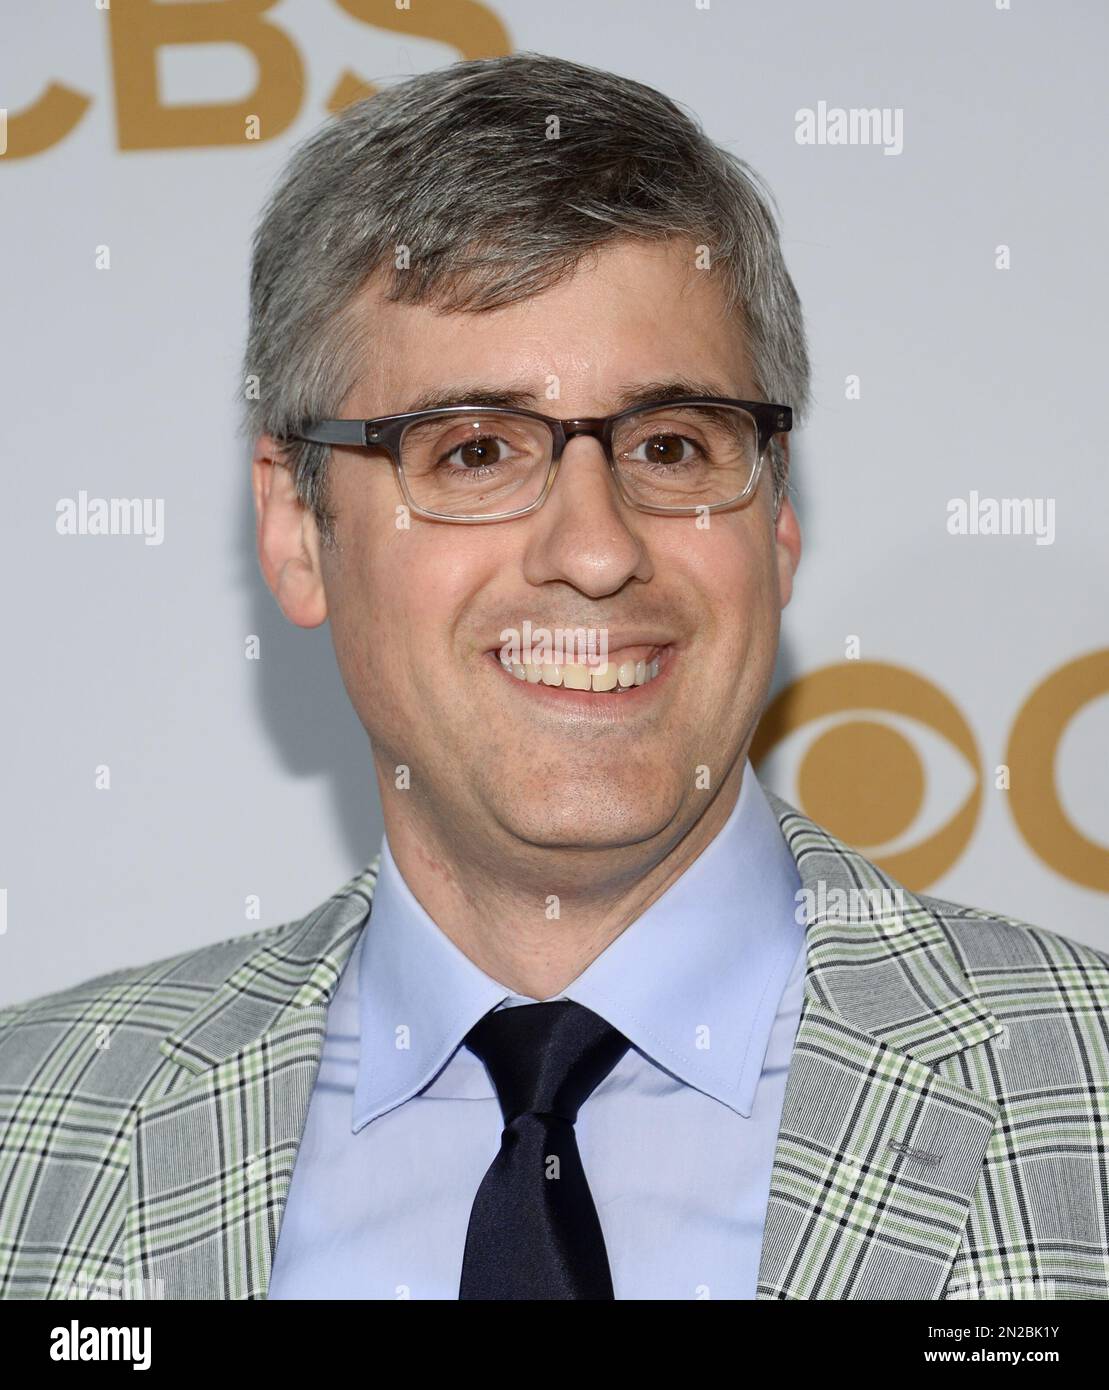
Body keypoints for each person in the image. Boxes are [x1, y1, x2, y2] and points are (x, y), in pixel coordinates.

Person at [2, 52, 1106, 1302]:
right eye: (473, 450)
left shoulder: (1081, 1089)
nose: (593, 548)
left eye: (672, 443)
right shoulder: (35, 1129)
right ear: (297, 531)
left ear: (775, 521)